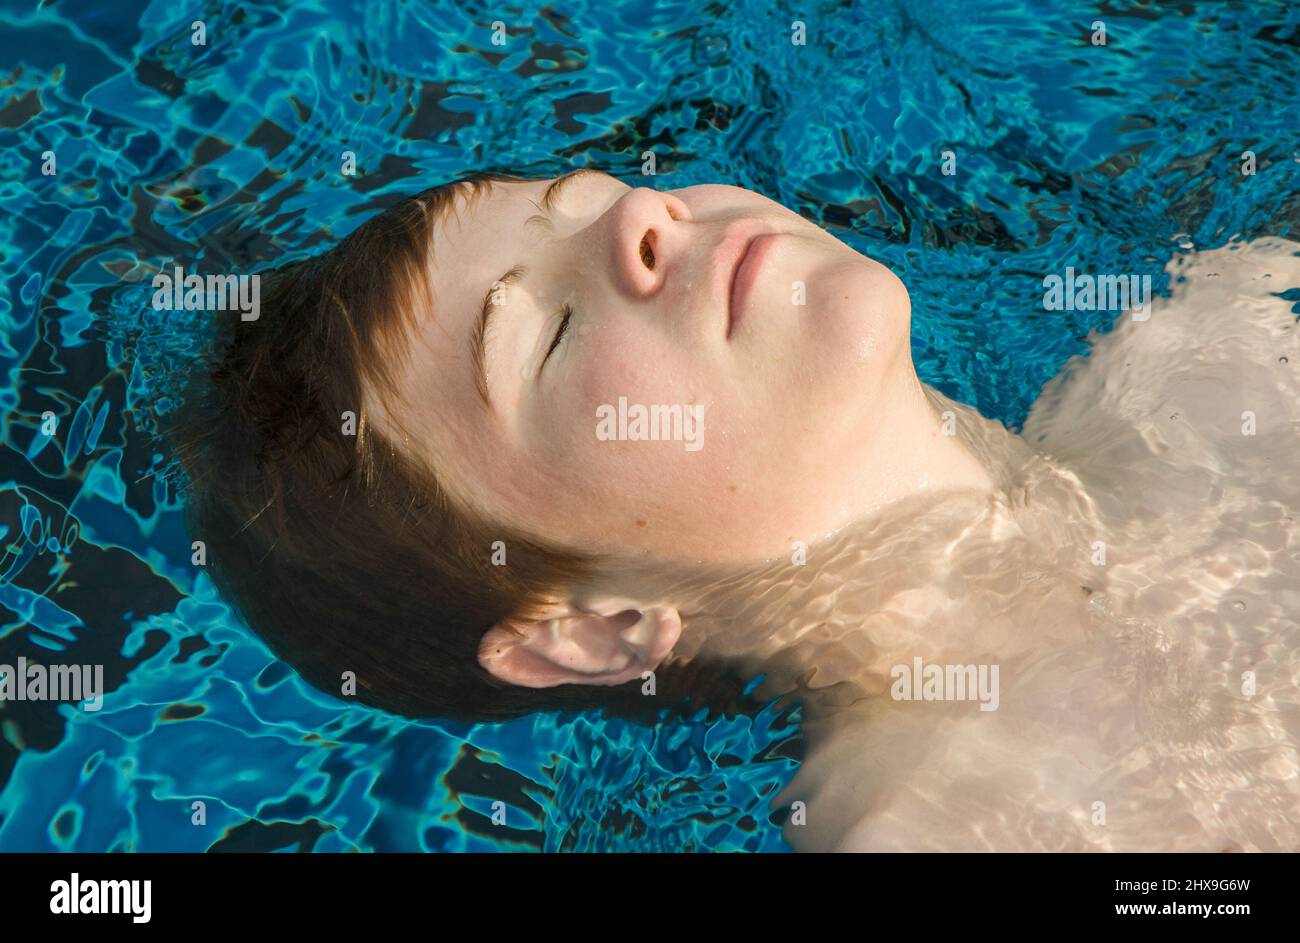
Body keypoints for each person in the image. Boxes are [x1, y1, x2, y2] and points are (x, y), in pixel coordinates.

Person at [172, 169, 1300, 850]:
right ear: (599, 627)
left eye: (603, 198)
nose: (643, 223)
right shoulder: (946, 833)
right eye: (549, 334)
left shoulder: (1225, 343)